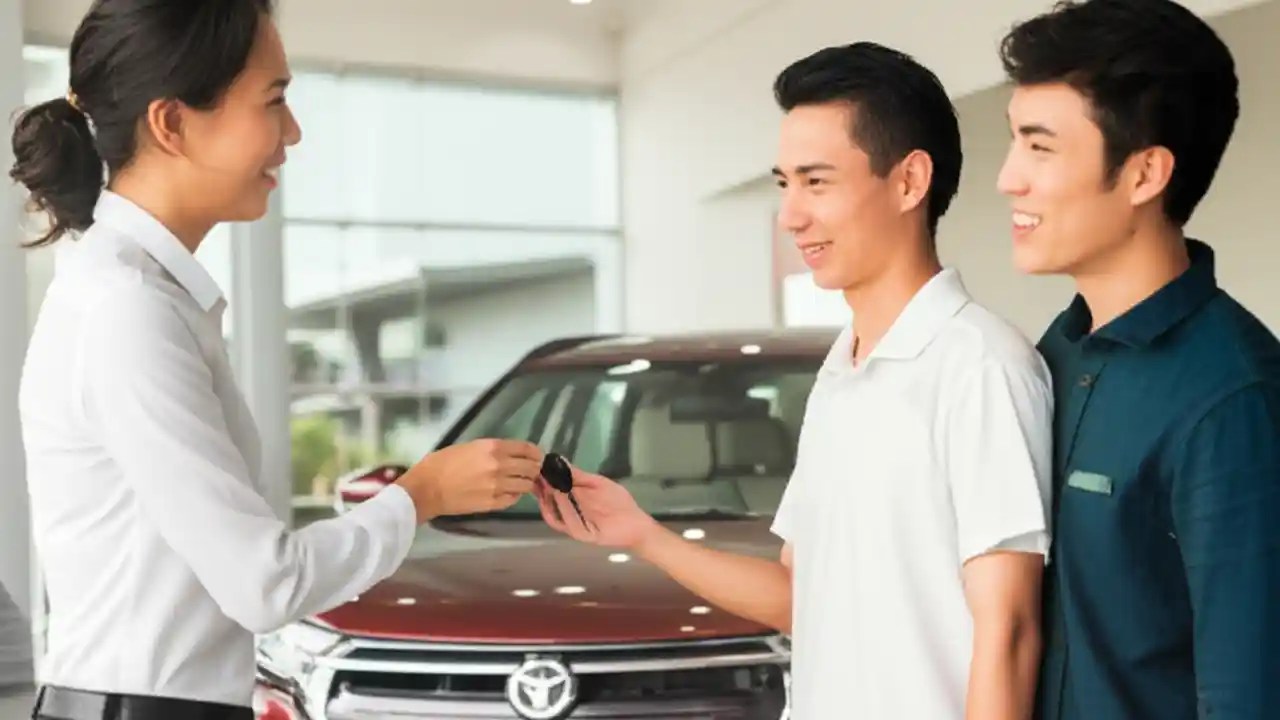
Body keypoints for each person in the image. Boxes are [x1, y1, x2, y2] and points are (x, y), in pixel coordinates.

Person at [9, 2, 542, 718]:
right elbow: (265, 583)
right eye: (275, 99)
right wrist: (422, 494)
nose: (293, 132)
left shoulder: (141, 294)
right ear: (171, 123)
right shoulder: (126, 309)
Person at [537, 42, 1053, 719]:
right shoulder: (842, 372)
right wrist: (645, 536)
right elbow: (800, 597)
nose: (791, 215)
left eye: (817, 182)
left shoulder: (981, 365)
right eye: (785, 183)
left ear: (908, 181)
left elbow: (1009, 634)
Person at [996, 1, 1280, 718]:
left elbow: (1249, 693)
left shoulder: (1234, 397)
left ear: (1146, 172)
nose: (1008, 179)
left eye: (1039, 146)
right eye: (1013, 142)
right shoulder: (1047, 358)